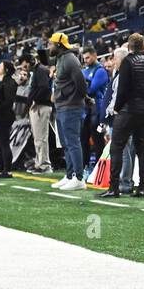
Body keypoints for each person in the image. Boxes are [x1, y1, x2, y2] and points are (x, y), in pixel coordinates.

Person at [103, 33, 144, 199]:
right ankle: (143, 187)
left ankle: (114, 187)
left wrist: (117, 108)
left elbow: (122, 90)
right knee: (141, 148)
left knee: (117, 147)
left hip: (128, 110)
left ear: (129, 47)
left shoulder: (128, 62)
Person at [49, 33, 87, 191]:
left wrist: (73, 100)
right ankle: (70, 174)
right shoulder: (60, 59)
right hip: (62, 105)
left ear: (59, 45)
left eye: (51, 44)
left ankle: (79, 178)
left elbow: (81, 84)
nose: (49, 47)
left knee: (72, 142)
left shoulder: (70, 59)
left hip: (70, 107)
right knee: (65, 143)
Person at [26, 51, 54, 174]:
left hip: (41, 105)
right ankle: (39, 162)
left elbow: (44, 88)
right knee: (38, 137)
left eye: (24, 65)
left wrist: (34, 100)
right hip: (38, 105)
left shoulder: (41, 70)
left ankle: (45, 165)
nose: (24, 68)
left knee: (41, 138)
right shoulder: (37, 70)